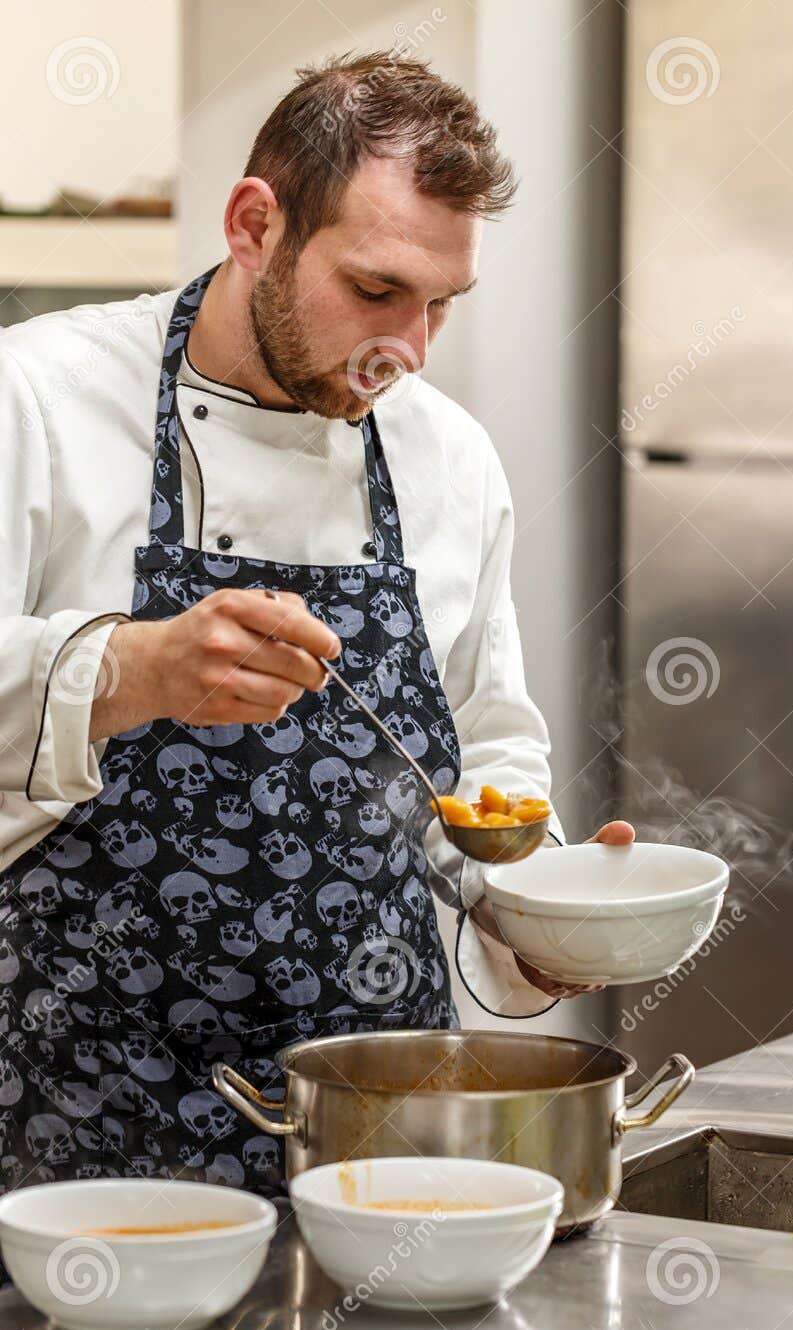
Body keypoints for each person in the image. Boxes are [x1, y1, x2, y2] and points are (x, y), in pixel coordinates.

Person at [0, 50, 634, 1197]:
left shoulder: (448, 458)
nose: (412, 347)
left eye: (442, 303)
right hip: (80, 1100)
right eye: (378, 291)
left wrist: (537, 906)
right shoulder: (37, 398)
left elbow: (483, 742)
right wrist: (129, 669)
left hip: (377, 1115)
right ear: (255, 225)